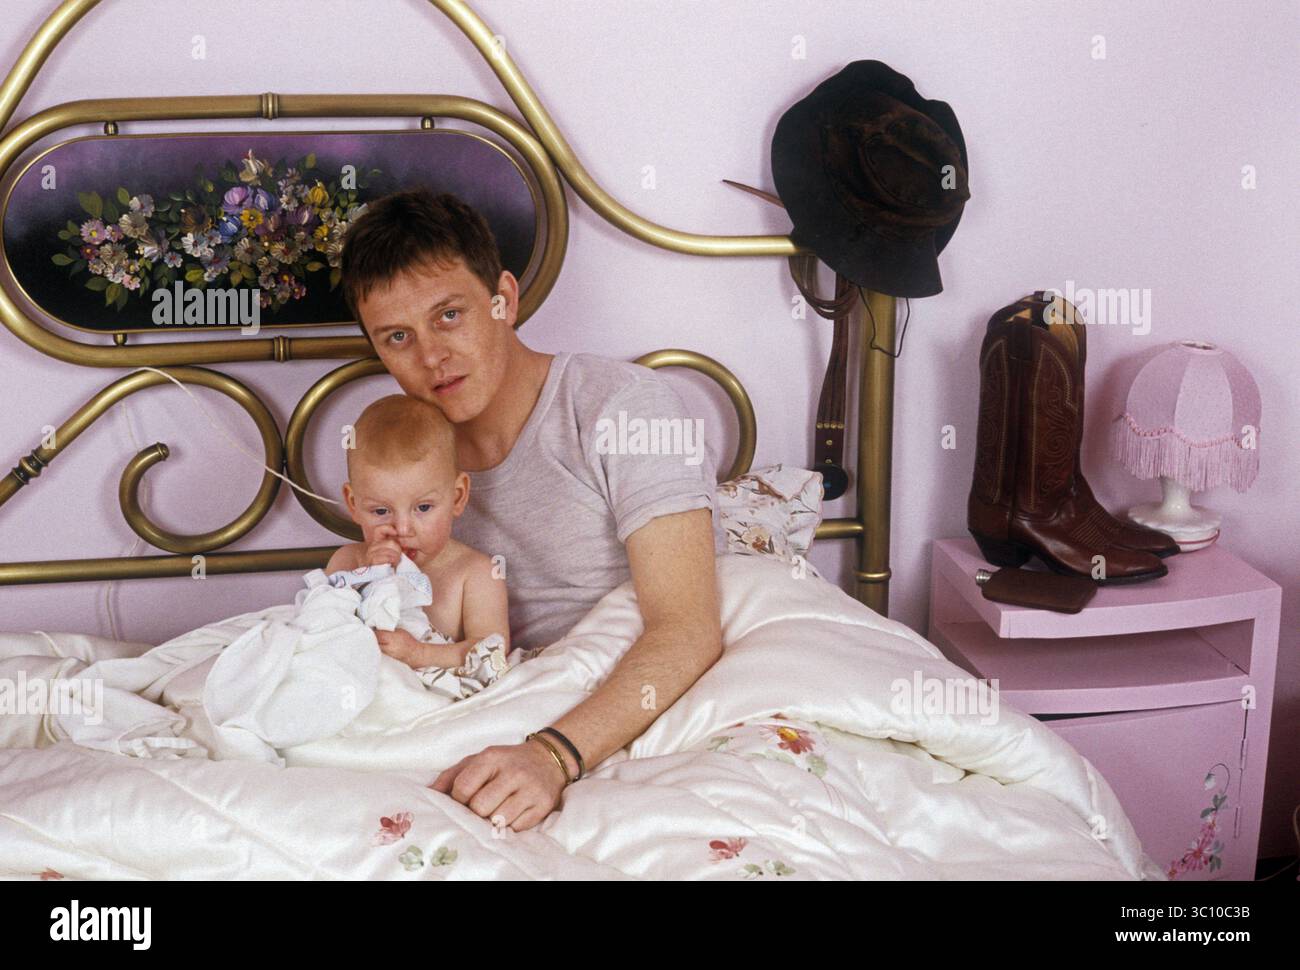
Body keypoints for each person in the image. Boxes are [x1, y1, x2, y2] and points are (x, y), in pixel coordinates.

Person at [339, 187, 725, 833]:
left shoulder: (626, 409)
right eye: (397, 337)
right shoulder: (401, 466)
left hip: (608, 722)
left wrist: (552, 756)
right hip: (473, 710)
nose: (430, 356)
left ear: (505, 300)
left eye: (450, 315)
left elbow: (687, 628)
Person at [324, 393, 510, 671]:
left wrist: (421, 655)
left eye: (423, 507)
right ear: (354, 504)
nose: (402, 529)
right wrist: (369, 579)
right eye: (380, 511)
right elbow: (324, 631)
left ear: (457, 497)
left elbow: (492, 652)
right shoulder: (348, 562)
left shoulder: (475, 574)